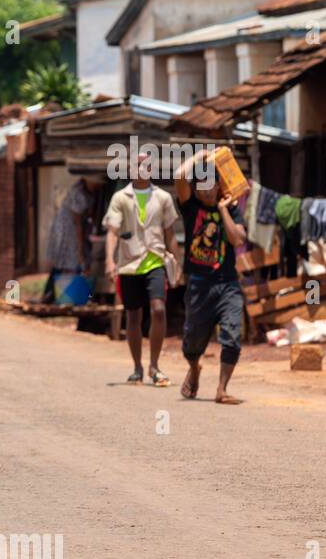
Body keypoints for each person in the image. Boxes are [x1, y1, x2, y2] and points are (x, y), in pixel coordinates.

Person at [174, 151, 247, 404]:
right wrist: (202, 155)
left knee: (232, 334)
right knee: (193, 340)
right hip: (199, 283)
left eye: (211, 186)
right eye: (201, 187)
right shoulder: (190, 208)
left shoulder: (232, 210)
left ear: (219, 185)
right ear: (194, 189)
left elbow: (237, 239)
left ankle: (222, 389)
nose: (206, 192)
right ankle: (194, 369)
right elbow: (178, 175)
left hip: (228, 283)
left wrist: (224, 210)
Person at [104, 151, 179, 386]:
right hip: (129, 263)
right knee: (133, 315)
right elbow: (113, 232)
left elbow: (170, 233)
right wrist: (110, 261)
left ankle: (154, 366)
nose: (141, 168)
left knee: (158, 310)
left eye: (146, 164)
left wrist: (177, 263)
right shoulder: (120, 198)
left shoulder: (164, 198)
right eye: (137, 164)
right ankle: (137, 367)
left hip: (155, 259)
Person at [42, 177, 94, 303]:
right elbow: (78, 224)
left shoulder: (89, 192)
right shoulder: (78, 193)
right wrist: (81, 251)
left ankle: (54, 295)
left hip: (74, 230)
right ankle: (52, 295)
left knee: (71, 263)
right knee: (65, 262)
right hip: (67, 230)